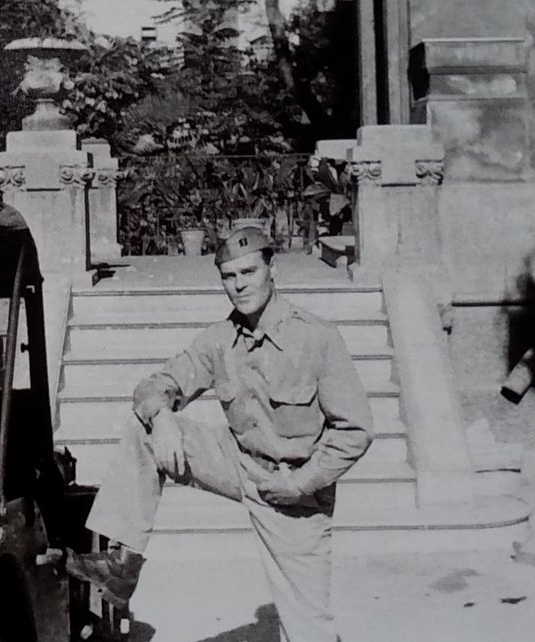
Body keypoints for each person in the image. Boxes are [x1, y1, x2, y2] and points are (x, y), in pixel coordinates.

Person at [65, 226, 373, 641]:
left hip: (294, 492)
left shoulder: (316, 338)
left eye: (248, 271)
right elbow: (156, 383)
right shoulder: (220, 340)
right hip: (235, 462)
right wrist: (162, 418)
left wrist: (299, 484)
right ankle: (123, 564)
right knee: (144, 423)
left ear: (272, 267)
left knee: (309, 629)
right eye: (229, 276)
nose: (240, 285)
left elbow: (355, 431)